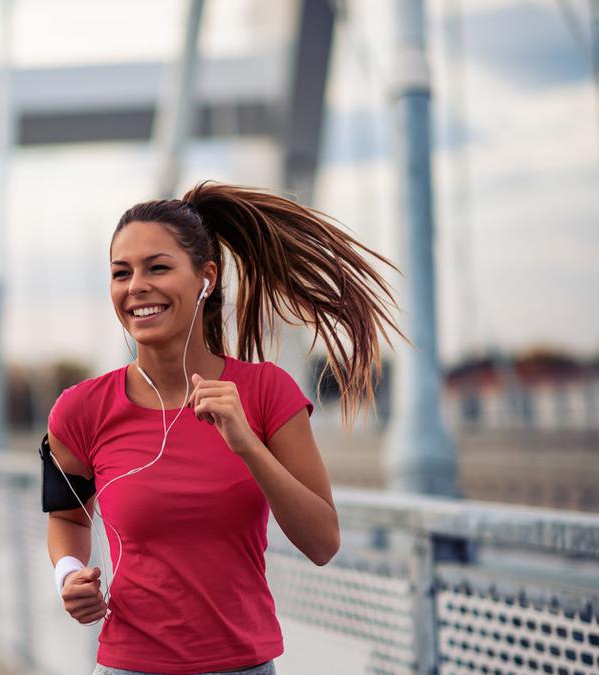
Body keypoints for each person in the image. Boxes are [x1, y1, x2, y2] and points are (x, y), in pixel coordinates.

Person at [42, 181, 405, 675]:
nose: (136, 287)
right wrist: (69, 575)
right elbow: (67, 519)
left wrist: (247, 445)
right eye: (121, 273)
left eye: (157, 268)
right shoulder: (80, 410)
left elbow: (323, 543)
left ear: (206, 278)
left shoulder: (266, 392)